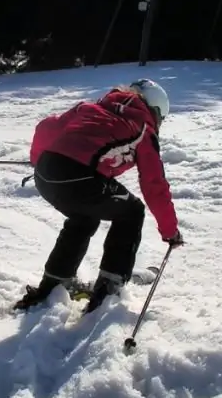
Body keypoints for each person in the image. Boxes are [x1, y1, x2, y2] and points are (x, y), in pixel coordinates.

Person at [14, 78, 184, 314]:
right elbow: (154, 184)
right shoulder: (143, 127)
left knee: (84, 216)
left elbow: (46, 127)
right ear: (155, 111)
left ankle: (53, 285)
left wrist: (39, 160)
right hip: (78, 178)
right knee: (132, 211)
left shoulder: (90, 108)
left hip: (46, 174)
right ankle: (109, 288)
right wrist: (170, 231)